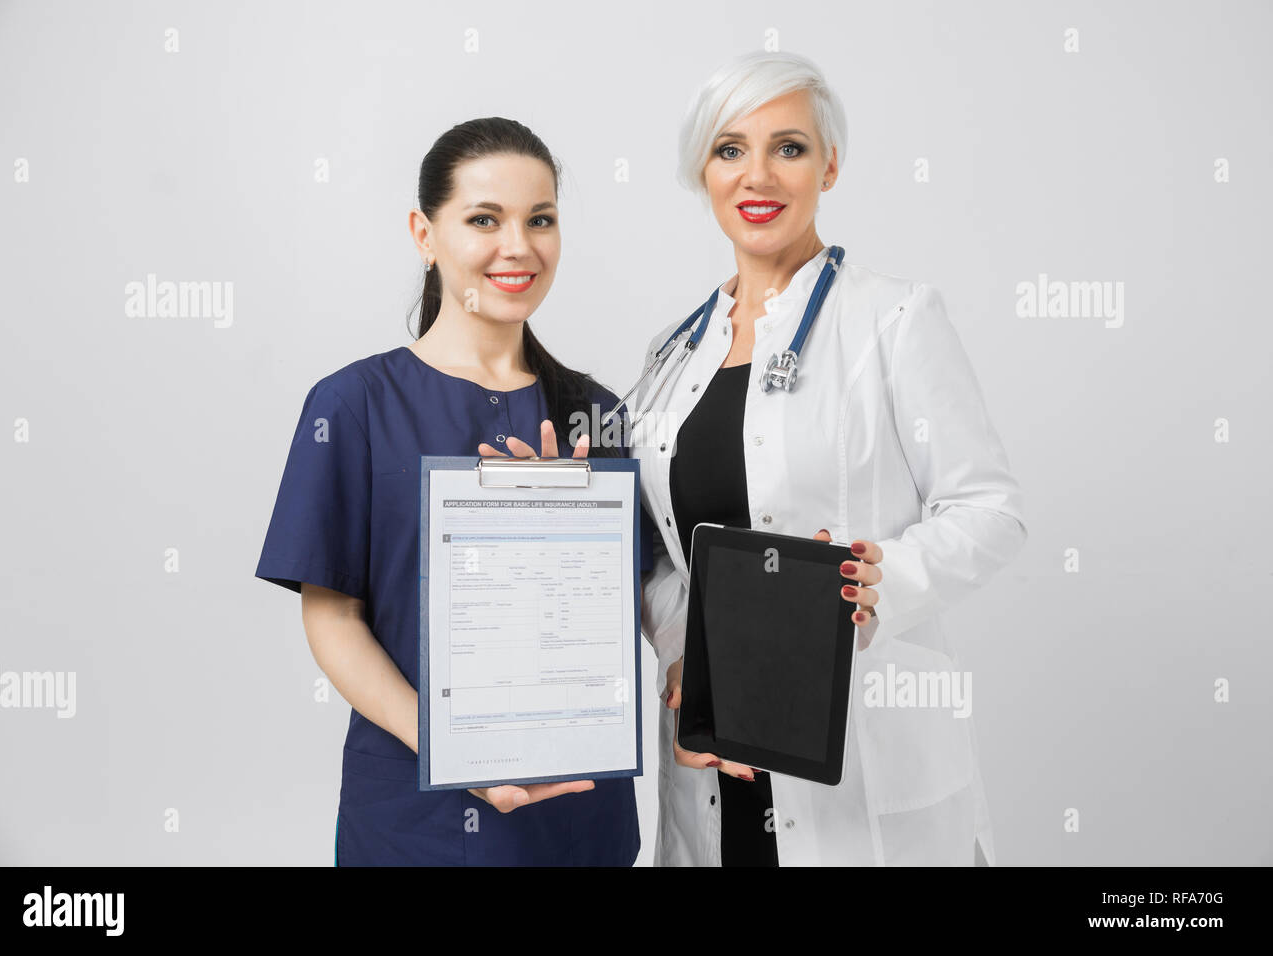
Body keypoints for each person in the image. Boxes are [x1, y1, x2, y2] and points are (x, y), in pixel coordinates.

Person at [634, 51, 1027, 866]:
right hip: (717, 761)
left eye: (790, 147)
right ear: (702, 171)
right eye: (730, 149)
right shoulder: (673, 357)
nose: (759, 176)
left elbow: (990, 508)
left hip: (865, 758)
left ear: (831, 165)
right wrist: (680, 657)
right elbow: (666, 551)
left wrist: (877, 580)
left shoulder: (894, 320)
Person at [255, 117, 642, 866]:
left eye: (541, 220)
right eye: (483, 220)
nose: (518, 246)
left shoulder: (597, 413)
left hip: (578, 817)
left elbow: (648, 595)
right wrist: (454, 746)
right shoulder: (353, 405)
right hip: (415, 816)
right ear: (424, 233)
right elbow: (333, 617)